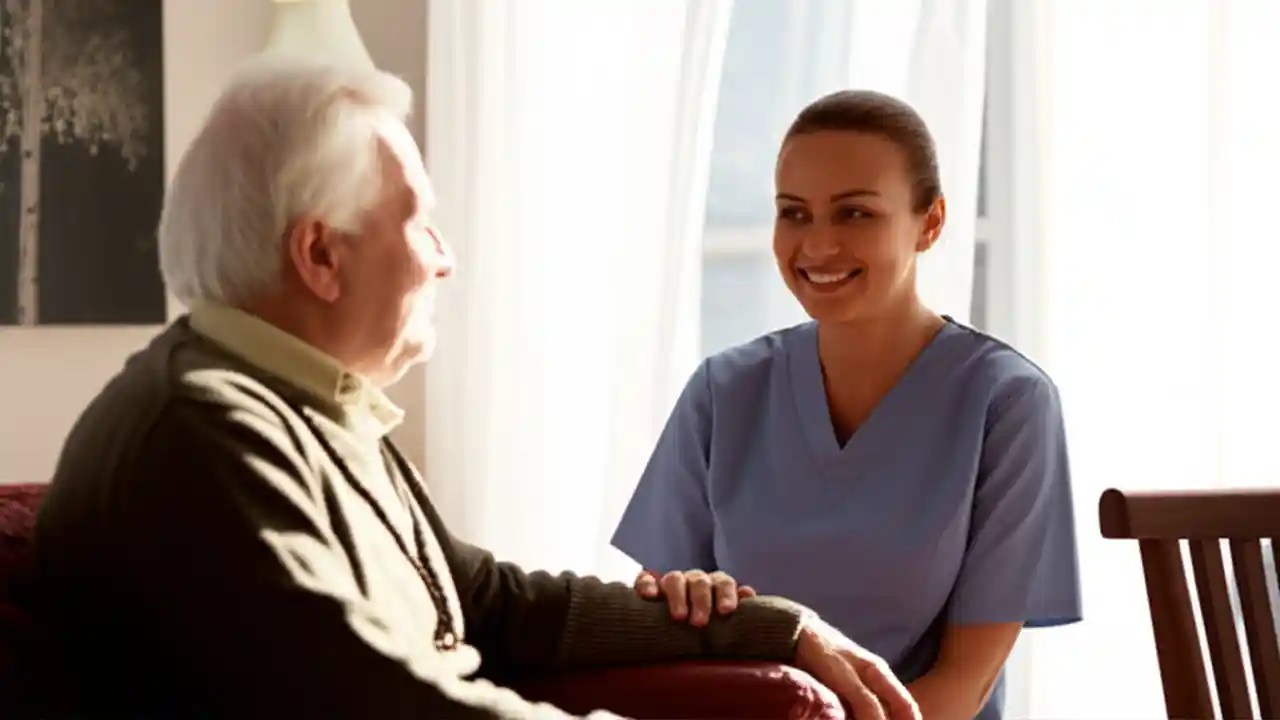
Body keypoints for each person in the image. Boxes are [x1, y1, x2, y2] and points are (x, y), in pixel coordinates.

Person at [30, 60, 920, 719]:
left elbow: (493, 605)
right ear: (320, 255)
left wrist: (774, 627)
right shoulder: (204, 435)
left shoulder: (309, 409)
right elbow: (385, 700)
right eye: (420, 223)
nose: (446, 260)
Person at [613, 89, 1082, 720]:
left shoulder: (1007, 402)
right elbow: (662, 636)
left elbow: (961, 688)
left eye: (855, 214)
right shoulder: (724, 392)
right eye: (795, 213)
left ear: (931, 223)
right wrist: (680, 603)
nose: (818, 246)